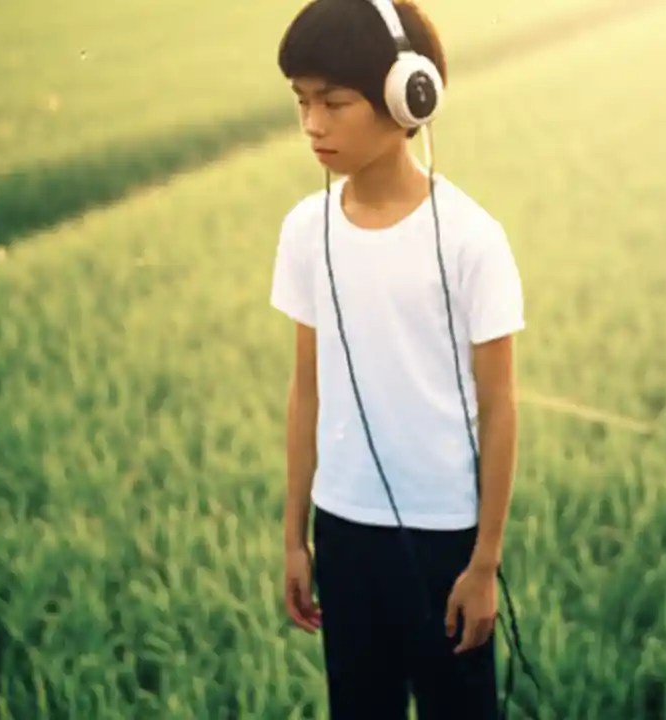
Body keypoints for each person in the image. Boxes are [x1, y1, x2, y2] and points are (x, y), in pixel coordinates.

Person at [269, 1, 525, 718]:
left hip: (444, 535)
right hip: (343, 528)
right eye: (301, 102)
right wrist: (295, 538)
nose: (313, 124)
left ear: (407, 95)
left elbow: (500, 407)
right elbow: (306, 391)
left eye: (334, 102)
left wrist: (484, 563)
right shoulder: (305, 230)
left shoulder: (472, 239)